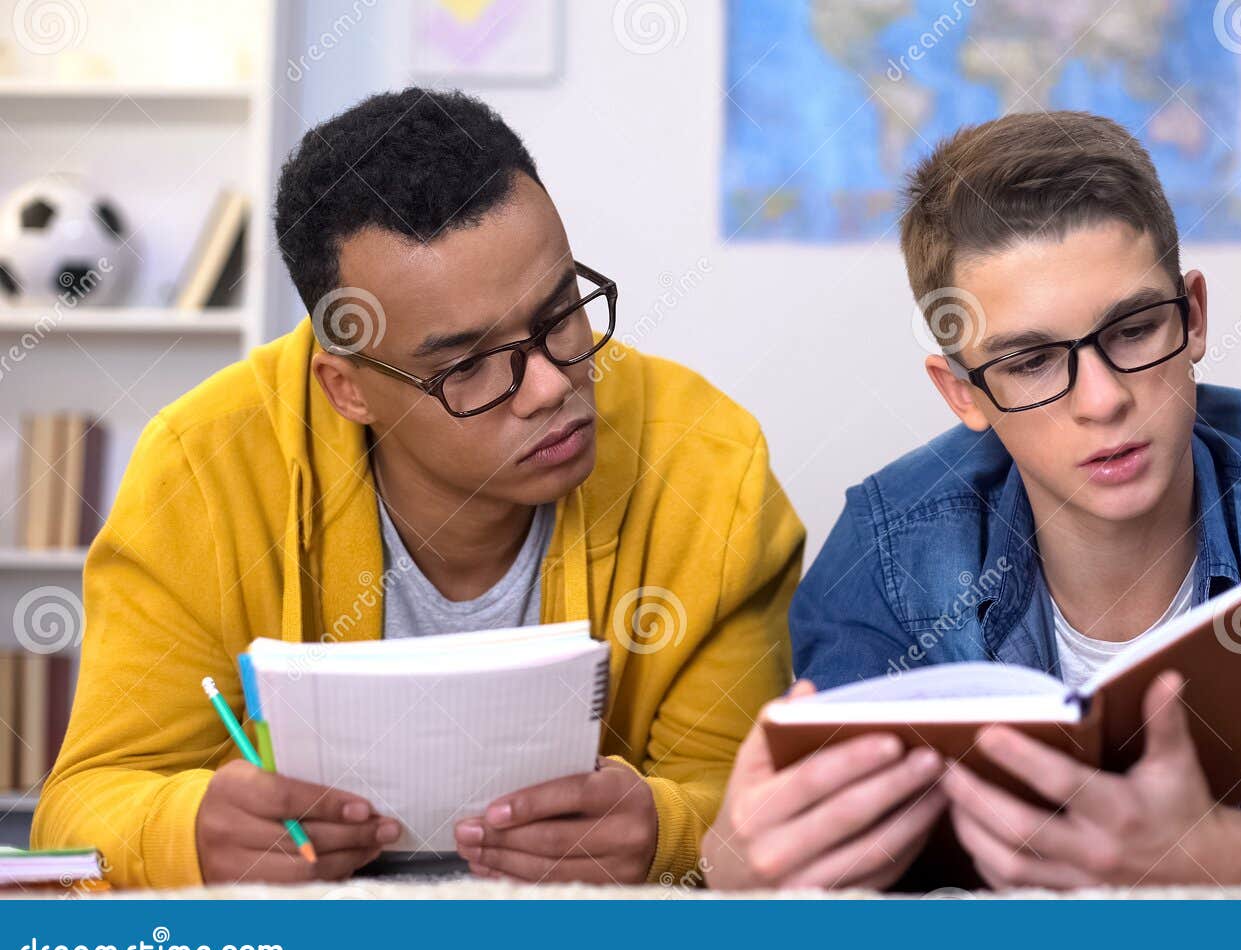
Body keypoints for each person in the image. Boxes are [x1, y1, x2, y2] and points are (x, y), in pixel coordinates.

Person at [34, 88, 803, 889]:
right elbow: (83, 805)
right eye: (467, 366)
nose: (549, 386)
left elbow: (744, 794)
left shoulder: (709, 466)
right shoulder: (203, 469)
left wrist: (667, 831)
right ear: (347, 389)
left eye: (560, 313)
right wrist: (186, 834)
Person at [703, 110, 1241, 891]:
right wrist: (738, 867)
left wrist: (1218, 862)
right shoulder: (887, 545)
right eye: (1033, 362)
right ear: (962, 393)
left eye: (1137, 329)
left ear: (1195, 315)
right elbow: (825, 859)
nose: (1103, 401)